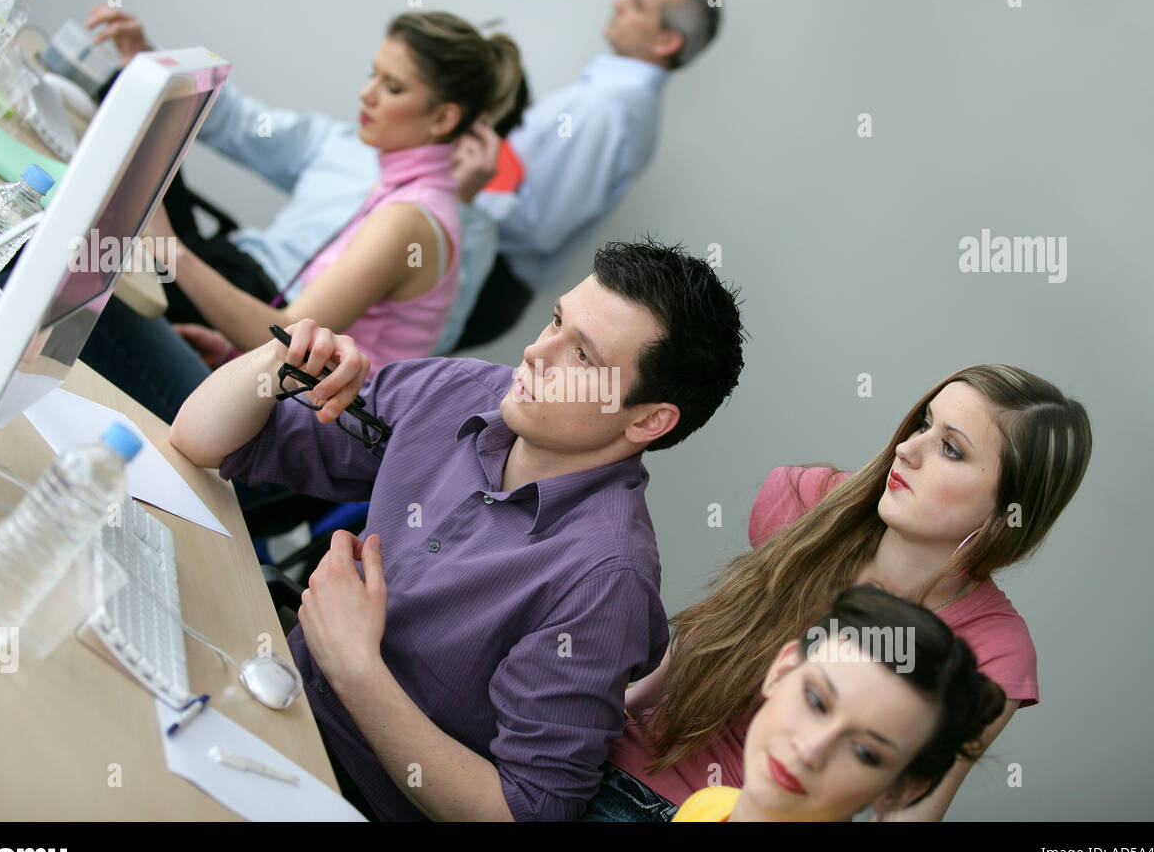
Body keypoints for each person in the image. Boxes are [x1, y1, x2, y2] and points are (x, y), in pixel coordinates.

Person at [166, 238, 746, 821]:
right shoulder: (465, 392)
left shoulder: (604, 579)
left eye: (583, 357)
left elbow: (526, 812)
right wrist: (277, 362)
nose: (536, 354)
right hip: (269, 695)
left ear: (648, 419)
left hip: (344, 796)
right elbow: (203, 439)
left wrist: (354, 666)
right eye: (554, 322)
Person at [589, 365, 1092, 821]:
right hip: (613, 770)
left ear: (1006, 514)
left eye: (951, 448)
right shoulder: (813, 503)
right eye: (924, 424)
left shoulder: (994, 649)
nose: (906, 449)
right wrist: (603, 721)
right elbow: (706, 643)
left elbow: (910, 811)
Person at [79, 11, 525, 425]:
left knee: (90, 304)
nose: (365, 93)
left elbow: (285, 342)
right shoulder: (405, 192)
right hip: (270, 384)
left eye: (392, 87)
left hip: (288, 425)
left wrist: (171, 249)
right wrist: (230, 348)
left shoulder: (411, 219)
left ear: (443, 117)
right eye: (374, 75)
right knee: (93, 285)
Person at [450, 0, 723, 350]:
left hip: (486, 275)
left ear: (665, 41)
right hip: (482, 268)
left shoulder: (606, 111)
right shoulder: (611, 100)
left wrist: (455, 188)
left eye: (636, 3)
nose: (618, 4)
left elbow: (538, 228)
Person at [671, 585, 1007, 822]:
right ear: (782, 669)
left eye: (865, 752)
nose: (811, 751)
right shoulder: (709, 806)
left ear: (902, 791)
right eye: (816, 701)